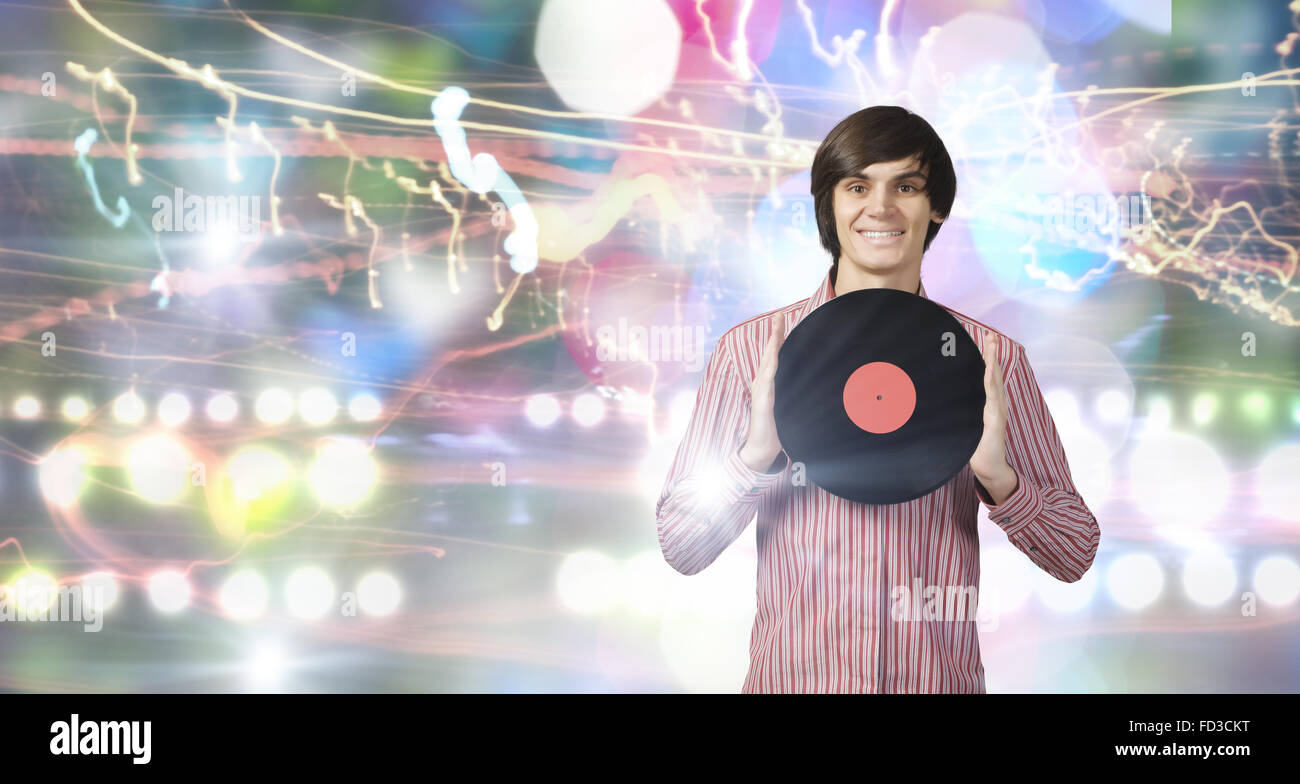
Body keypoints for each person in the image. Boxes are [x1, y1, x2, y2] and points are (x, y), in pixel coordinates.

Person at [655, 105, 1100, 693]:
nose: (881, 207)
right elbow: (682, 547)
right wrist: (752, 458)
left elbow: (1075, 555)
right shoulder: (750, 353)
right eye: (857, 186)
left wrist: (1001, 481)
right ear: (830, 205)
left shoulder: (993, 359)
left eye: (907, 186)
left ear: (935, 206)